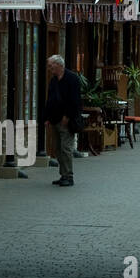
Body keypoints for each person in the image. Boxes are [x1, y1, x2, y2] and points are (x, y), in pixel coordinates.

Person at [45, 55, 82, 187]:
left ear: (59, 65)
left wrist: (67, 116)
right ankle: (63, 174)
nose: (49, 68)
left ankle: (69, 176)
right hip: (55, 119)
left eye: (51, 66)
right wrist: (48, 118)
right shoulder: (54, 80)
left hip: (66, 120)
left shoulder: (72, 79)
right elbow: (50, 99)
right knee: (57, 149)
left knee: (66, 148)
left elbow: (75, 101)